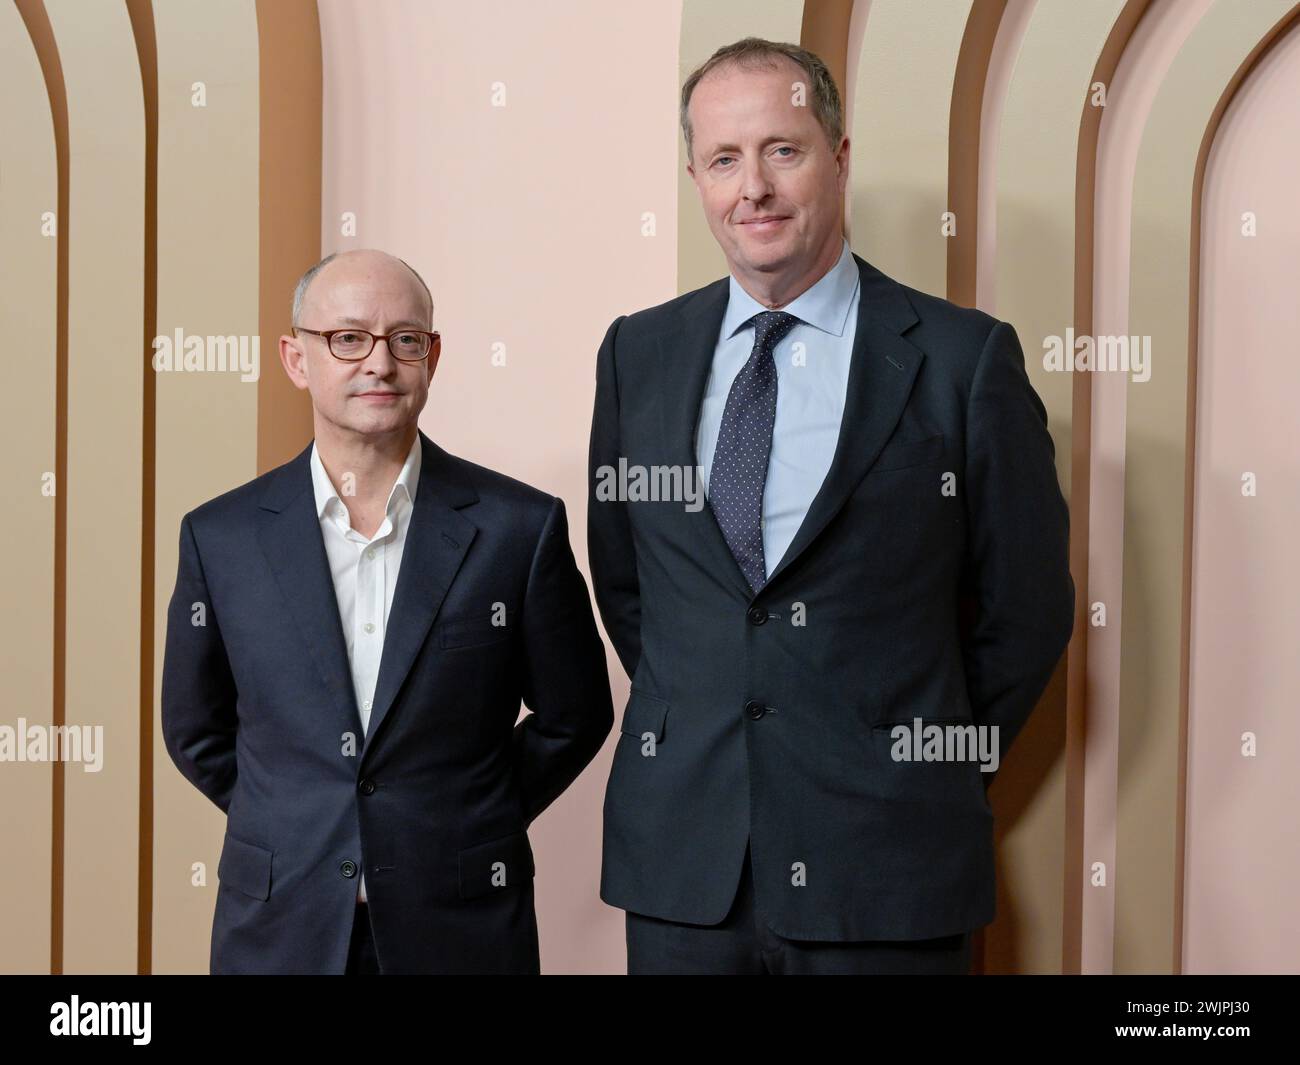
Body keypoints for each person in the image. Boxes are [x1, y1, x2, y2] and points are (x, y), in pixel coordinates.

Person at [588, 38, 1074, 974]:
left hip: (890, 870)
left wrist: (926, 759)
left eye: (783, 149)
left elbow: (1027, 612)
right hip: (684, 871)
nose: (753, 188)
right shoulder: (635, 353)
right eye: (724, 159)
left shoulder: (964, 360)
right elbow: (630, 584)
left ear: (839, 159)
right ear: (696, 176)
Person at [162, 249, 612, 974]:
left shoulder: (516, 528)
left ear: (432, 357)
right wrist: (300, 821)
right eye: (348, 338)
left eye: (405, 340)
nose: (379, 363)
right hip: (280, 928)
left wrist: (471, 813)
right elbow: (194, 727)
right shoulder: (221, 537)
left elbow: (576, 713)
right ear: (296, 357)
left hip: (461, 926)